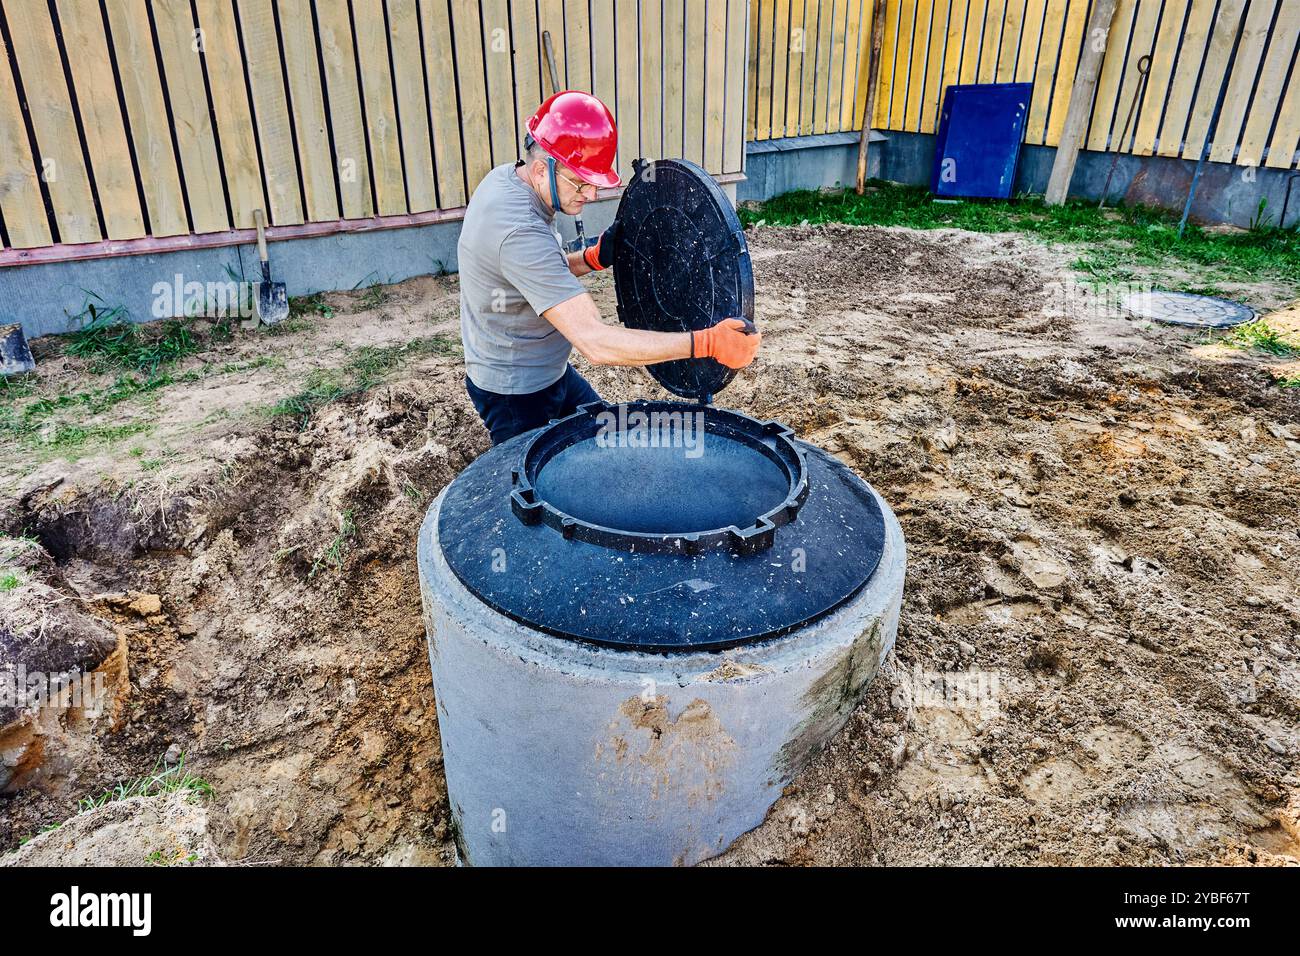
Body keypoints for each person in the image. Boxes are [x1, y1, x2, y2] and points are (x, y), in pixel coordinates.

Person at [456, 90, 762, 445]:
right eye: (581, 182)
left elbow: (530, 276)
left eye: (594, 182)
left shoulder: (508, 180)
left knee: (612, 441)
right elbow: (596, 342)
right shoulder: (519, 230)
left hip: (548, 371)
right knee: (536, 489)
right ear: (542, 169)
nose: (590, 194)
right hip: (516, 391)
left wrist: (590, 258)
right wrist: (707, 342)